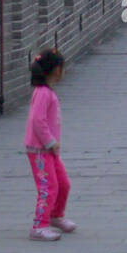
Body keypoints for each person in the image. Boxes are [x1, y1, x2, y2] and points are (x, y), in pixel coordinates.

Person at [24, 49, 76, 241]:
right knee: (49, 187)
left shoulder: (47, 92)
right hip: (40, 149)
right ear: (55, 70)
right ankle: (39, 226)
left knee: (63, 184)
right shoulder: (43, 93)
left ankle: (56, 215)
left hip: (50, 149)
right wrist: (50, 142)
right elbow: (38, 120)